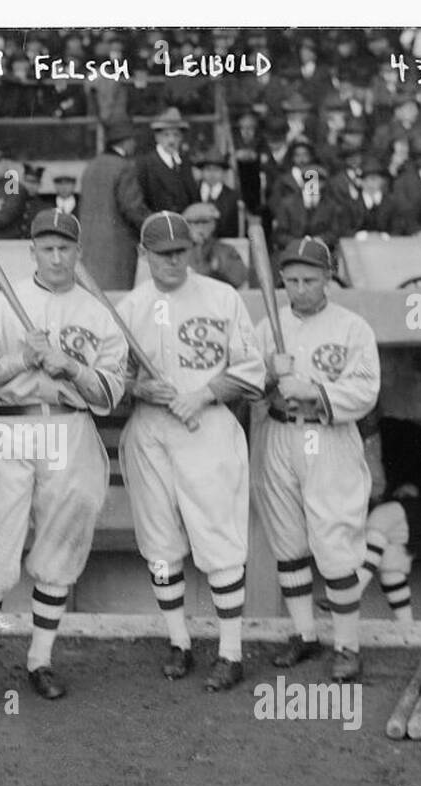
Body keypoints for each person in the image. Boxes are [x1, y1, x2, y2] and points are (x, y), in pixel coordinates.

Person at [0, 210, 127, 706]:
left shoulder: (99, 314)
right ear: (32, 251)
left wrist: (71, 368)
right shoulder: (0, 307)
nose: (56, 257)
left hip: (70, 427)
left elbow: (112, 391)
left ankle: (41, 660)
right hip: (10, 425)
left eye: (65, 248)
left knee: (61, 546)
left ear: (78, 253)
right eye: (47, 248)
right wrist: (21, 359)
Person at [117, 212, 266, 690]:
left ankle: (230, 651)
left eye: (180, 251)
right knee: (159, 544)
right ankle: (179, 641)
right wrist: (138, 390)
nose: (173, 261)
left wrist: (201, 393)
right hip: (150, 431)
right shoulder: (128, 306)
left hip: (208, 427)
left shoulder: (221, 297)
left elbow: (251, 370)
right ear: (145, 254)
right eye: (162, 253)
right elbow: (110, 384)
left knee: (220, 540)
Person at [251, 237, 380, 681]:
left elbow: (366, 389)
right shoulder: (267, 325)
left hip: (326, 436)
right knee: (287, 540)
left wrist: (315, 390)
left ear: (328, 278)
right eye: (291, 281)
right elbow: (245, 381)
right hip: (277, 433)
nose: (300, 288)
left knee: (334, 541)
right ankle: (304, 634)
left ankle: (346, 645)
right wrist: (269, 372)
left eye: (310, 279)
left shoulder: (352, 327)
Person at [351, 404, 421, 621]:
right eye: (359, 412)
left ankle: (351, 593)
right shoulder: (344, 439)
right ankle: (407, 630)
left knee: (381, 518)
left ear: (379, 412)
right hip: (384, 526)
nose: (365, 418)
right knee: (391, 565)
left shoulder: (402, 432)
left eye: (370, 411)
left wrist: (417, 485)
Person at [79, 119, 150, 290]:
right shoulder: (124, 167)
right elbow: (132, 208)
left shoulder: (91, 166)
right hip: (117, 251)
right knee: (118, 303)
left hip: (89, 249)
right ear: (127, 142)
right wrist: (154, 222)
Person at [134, 108, 198, 214]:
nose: (171, 140)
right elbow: (140, 203)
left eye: (176, 135)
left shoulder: (185, 163)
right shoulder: (146, 164)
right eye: (166, 135)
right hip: (159, 226)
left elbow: (192, 197)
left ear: (181, 138)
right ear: (157, 137)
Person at [183, 202, 249, 288]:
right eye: (194, 223)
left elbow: (238, 279)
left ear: (213, 224)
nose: (200, 227)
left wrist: (217, 269)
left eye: (204, 222)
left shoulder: (226, 250)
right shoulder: (180, 251)